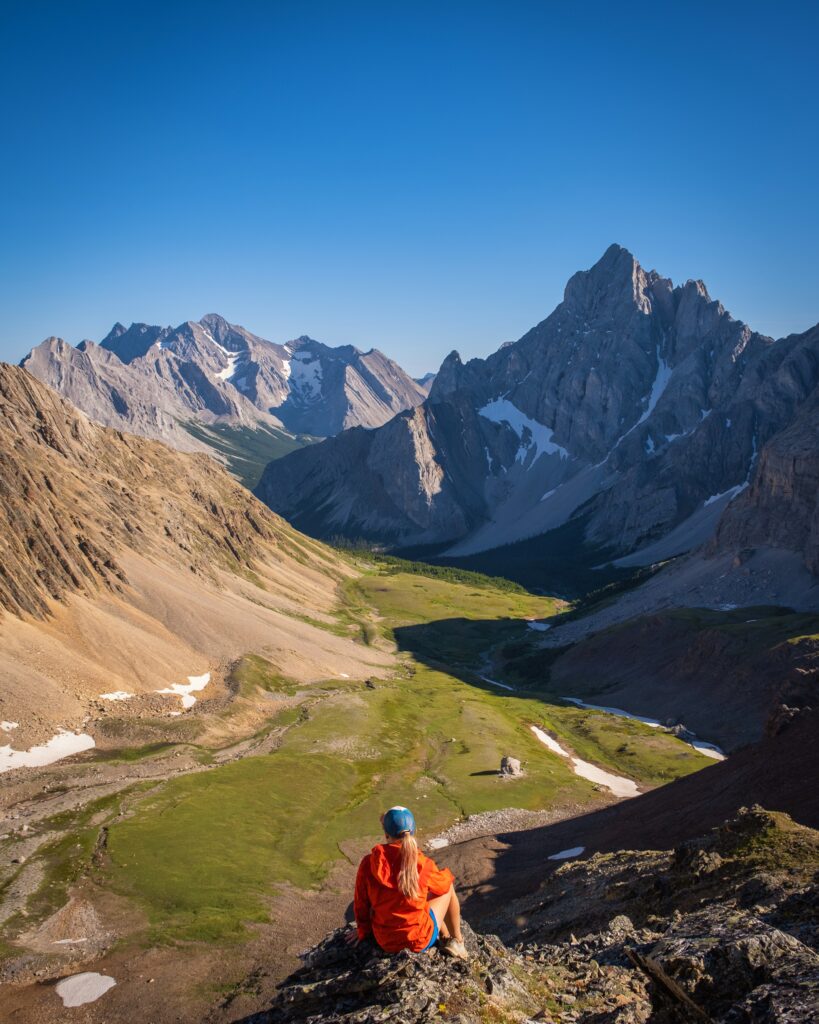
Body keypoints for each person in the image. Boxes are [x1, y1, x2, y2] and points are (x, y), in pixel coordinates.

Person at [348, 805, 468, 959]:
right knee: (447, 887)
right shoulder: (422, 863)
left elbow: (360, 903)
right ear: (414, 832)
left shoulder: (368, 863)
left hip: (384, 941)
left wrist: (363, 930)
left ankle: (445, 938)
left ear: (386, 834)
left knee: (424, 898)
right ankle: (458, 941)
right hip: (417, 941)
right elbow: (443, 885)